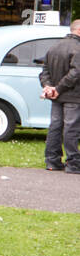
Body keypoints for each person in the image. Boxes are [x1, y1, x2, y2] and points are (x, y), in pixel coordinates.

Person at [40, 18, 80, 174]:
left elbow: (44, 71)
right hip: (73, 95)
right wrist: (59, 88)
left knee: (55, 127)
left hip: (56, 96)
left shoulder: (54, 47)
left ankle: (52, 161)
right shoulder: (77, 48)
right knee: (71, 128)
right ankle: (73, 163)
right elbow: (76, 72)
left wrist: (49, 87)